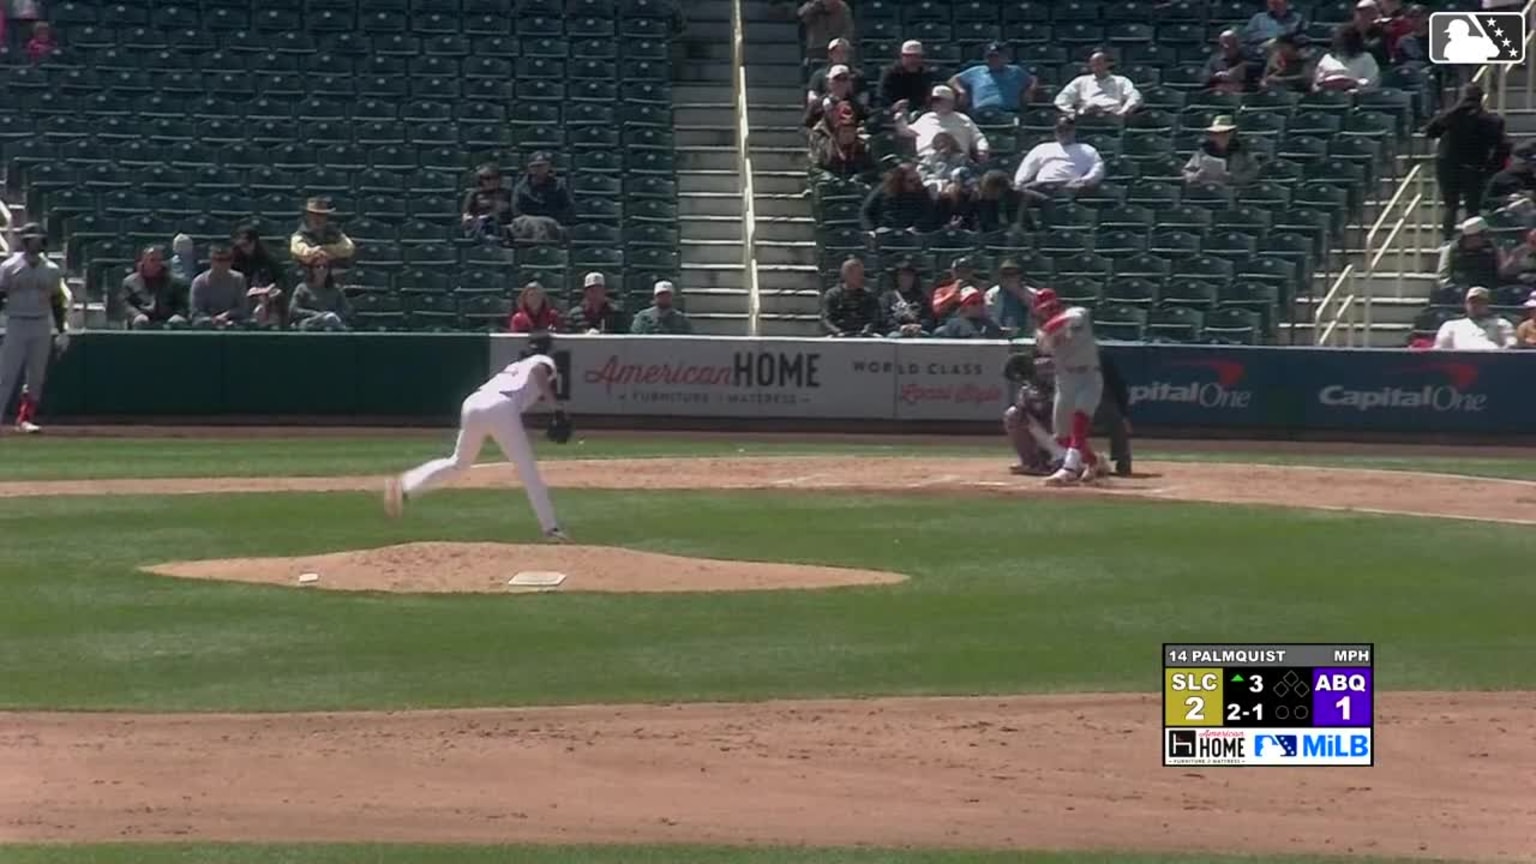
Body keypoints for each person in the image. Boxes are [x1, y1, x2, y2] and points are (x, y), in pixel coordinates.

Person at [384, 333, 570, 542]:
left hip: (474, 402)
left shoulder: (516, 366)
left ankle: (406, 485)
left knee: (458, 463)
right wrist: (556, 408)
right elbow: (539, 371)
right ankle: (551, 529)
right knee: (528, 471)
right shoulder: (543, 360)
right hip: (501, 407)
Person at [1032, 288, 1106, 486]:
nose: (1050, 311)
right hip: (1065, 380)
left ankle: (1069, 469)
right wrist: (1047, 332)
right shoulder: (1040, 333)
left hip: (1089, 377)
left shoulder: (1077, 312)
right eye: (1045, 309)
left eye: (1052, 306)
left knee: (1079, 421)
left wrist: (1049, 328)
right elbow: (1045, 346)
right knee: (1062, 436)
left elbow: (1069, 320)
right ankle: (1093, 461)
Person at [0, 223, 69, 435]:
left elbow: (57, 301)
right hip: (16, 321)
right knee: (6, 374)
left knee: (36, 376)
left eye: (39, 239)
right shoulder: (9, 266)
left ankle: (25, 418)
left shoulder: (52, 269)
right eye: (32, 239)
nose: (36, 243)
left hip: (41, 322)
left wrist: (62, 330)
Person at [1424, 83, 1510, 239]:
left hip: (1448, 165)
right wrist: (1492, 168)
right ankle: (1471, 240)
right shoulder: (1491, 120)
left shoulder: (1451, 116)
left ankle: (1447, 240)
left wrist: (1452, 111)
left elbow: (1430, 131)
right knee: (1472, 208)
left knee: (1451, 206)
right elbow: (1502, 146)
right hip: (1473, 167)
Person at [1013, 115, 1105, 197]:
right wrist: (1019, 182)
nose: (1064, 133)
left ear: (1074, 131)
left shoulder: (1087, 149)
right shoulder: (1042, 148)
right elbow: (1027, 166)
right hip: (1042, 185)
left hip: (1070, 185)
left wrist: (1084, 180)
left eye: (1068, 129)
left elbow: (1098, 167)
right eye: (1060, 130)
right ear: (1055, 131)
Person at [892, 85, 989, 160]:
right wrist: (900, 119)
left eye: (938, 100)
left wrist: (982, 149)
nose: (935, 103)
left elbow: (978, 137)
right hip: (928, 158)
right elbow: (906, 132)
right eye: (933, 101)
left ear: (950, 101)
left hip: (957, 159)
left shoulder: (963, 118)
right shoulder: (926, 118)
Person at [949, 42, 1036, 113]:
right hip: (980, 113)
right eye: (990, 57)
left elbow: (1032, 79)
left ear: (1005, 57)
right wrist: (962, 91)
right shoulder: (976, 71)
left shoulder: (1015, 71)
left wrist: (1029, 90)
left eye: (997, 57)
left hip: (1008, 112)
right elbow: (953, 80)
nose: (993, 60)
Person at [1054, 51, 1143, 118]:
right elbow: (1062, 98)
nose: (1096, 67)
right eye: (1093, 64)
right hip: (1086, 116)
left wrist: (1123, 112)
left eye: (1099, 63)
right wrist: (1072, 113)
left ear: (1108, 64)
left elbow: (1135, 97)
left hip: (1112, 116)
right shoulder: (1081, 81)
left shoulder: (1121, 81)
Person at [121, 244, 189, 330]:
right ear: (144, 261)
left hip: (168, 319)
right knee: (140, 322)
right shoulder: (130, 282)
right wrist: (136, 315)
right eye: (152, 260)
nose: (157, 263)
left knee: (178, 323)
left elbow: (183, 303)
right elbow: (126, 304)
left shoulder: (174, 282)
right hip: (142, 319)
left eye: (159, 260)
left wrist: (179, 314)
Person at [231, 224, 287, 327]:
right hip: (244, 296)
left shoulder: (268, 259)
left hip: (268, 295)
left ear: (254, 242)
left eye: (246, 244)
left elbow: (280, 279)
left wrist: (273, 288)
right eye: (241, 245)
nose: (243, 248)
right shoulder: (234, 262)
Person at [511, 152, 575, 241]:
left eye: (542, 166)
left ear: (548, 167)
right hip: (527, 226)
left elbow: (567, 208)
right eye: (534, 166)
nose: (538, 169)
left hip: (551, 224)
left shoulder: (558, 186)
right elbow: (516, 210)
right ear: (529, 168)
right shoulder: (521, 187)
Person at [1182, 115, 1259, 187]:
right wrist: (1196, 176)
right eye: (1216, 133)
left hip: (1233, 190)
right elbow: (1187, 171)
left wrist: (1233, 177)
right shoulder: (1204, 151)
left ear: (1231, 134)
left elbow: (1253, 170)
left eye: (1224, 132)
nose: (1220, 136)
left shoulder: (1242, 151)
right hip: (1205, 190)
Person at [860, 163, 938, 233]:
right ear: (900, 181)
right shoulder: (884, 189)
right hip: (885, 230)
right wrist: (871, 229)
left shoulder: (922, 193)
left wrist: (917, 228)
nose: (916, 183)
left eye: (917, 179)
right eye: (911, 181)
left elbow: (929, 214)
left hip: (911, 233)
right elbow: (866, 211)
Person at [1433, 285, 1516, 349]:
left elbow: (1511, 345)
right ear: (1466, 304)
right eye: (1472, 302)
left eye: (1480, 302)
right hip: (1462, 361)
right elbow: (1439, 350)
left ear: (1487, 305)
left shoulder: (1501, 323)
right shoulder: (1451, 325)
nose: (1475, 305)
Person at [189, 243, 251, 329]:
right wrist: (214, 320)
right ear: (211, 261)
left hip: (233, 322)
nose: (223, 263)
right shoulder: (199, 282)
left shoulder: (238, 279)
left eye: (227, 259)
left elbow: (243, 308)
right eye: (219, 260)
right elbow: (196, 311)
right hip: (207, 324)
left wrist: (226, 315)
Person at [810, 102, 877, 180]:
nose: (848, 135)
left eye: (851, 131)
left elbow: (874, 171)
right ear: (837, 133)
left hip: (856, 185)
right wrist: (828, 177)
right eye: (844, 131)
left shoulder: (863, 148)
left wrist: (860, 177)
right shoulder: (826, 147)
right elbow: (815, 169)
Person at [819, 257, 883, 337]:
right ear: (845, 275)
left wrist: (867, 329)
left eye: (860, 273)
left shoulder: (869, 295)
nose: (859, 277)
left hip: (863, 333)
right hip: (839, 334)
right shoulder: (832, 294)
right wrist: (837, 332)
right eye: (854, 273)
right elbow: (826, 319)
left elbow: (874, 318)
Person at [289, 197, 356, 268]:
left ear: (327, 217)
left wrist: (325, 248)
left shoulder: (336, 233)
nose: (317, 219)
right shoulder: (298, 236)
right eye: (313, 215)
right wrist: (331, 253)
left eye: (321, 215)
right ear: (307, 216)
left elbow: (349, 248)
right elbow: (304, 253)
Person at [1436, 216, 1499, 289]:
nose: (1485, 239)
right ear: (1470, 237)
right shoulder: (1451, 250)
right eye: (1482, 235)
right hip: (1460, 290)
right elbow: (1443, 277)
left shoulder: (1491, 248)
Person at [290, 259, 353, 331]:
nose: (321, 269)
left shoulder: (336, 289)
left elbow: (346, 310)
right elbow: (293, 310)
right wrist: (315, 314)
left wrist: (333, 315)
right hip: (310, 323)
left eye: (325, 266)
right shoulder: (302, 288)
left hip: (332, 322)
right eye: (318, 266)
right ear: (312, 269)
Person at [1313, 25, 1381, 92]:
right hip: (1330, 95)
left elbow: (1372, 81)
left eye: (1347, 42)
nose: (1343, 45)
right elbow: (1317, 84)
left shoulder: (1366, 58)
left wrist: (1354, 83)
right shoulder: (1328, 58)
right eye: (1340, 42)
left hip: (1357, 95)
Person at [803, 65, 870, 130]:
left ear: (849, 83)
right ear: (829, 82)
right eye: (837, 79)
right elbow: (804, 127)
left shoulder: (856, 106)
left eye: (844, 79)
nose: (841, 83)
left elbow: (866, 121)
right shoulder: (817, 105)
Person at [881, 257, 935, 337]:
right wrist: (900, 327)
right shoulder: (887, 297)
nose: (905, 278)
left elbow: (929, 317)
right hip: (896, 331)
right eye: (902, 275)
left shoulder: (922, 297)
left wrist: (920, 326)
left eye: (909, 275)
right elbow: (884, 317)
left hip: (918, 331)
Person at [462, 163, 513, 243]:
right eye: (487, 178)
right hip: (479, 227)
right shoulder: (474, 194)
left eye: (495, 178)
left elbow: (515, 215)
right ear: (480, 180)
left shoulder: (508, 194)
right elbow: (466, 216)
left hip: (501, 228)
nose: (492, 181)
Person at [880, 40, 935, 113]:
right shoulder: (891, 73)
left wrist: (912, 105)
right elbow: (883, 95)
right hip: (893, 110)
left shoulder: (925, 74)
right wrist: (893, 106)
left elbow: (926, 96)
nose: (912, 60)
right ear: (902, 56)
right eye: (908, 56)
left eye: (916, 56)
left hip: (918, 111)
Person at [934, 286, 1005, 339]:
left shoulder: (991, 323)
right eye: (973, 303)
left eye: (981, 301)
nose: (979, 305)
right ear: (963, 307)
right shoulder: (954, 325)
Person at [984, 259, 1033, 335]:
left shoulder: (1032, 293)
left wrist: (1018, 293)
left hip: (1026, 335)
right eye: (1005, 275)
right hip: (998, 335)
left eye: (1013, 274)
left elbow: (1035, 312)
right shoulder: (991, 294)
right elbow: (988, 316)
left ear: (1020, 276)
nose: (1009, 278)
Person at [1205, 29, 1257, 95]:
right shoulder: (1215, 59)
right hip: (1220, 93)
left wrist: (1240, 70)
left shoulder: (1249, 57)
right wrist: (1217, 76)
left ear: (1238, 44)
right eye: (1223, 45)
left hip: (1244, 94)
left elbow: (1258, 74)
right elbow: (1205, 77)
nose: (1227, 47)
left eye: (1232, 44)